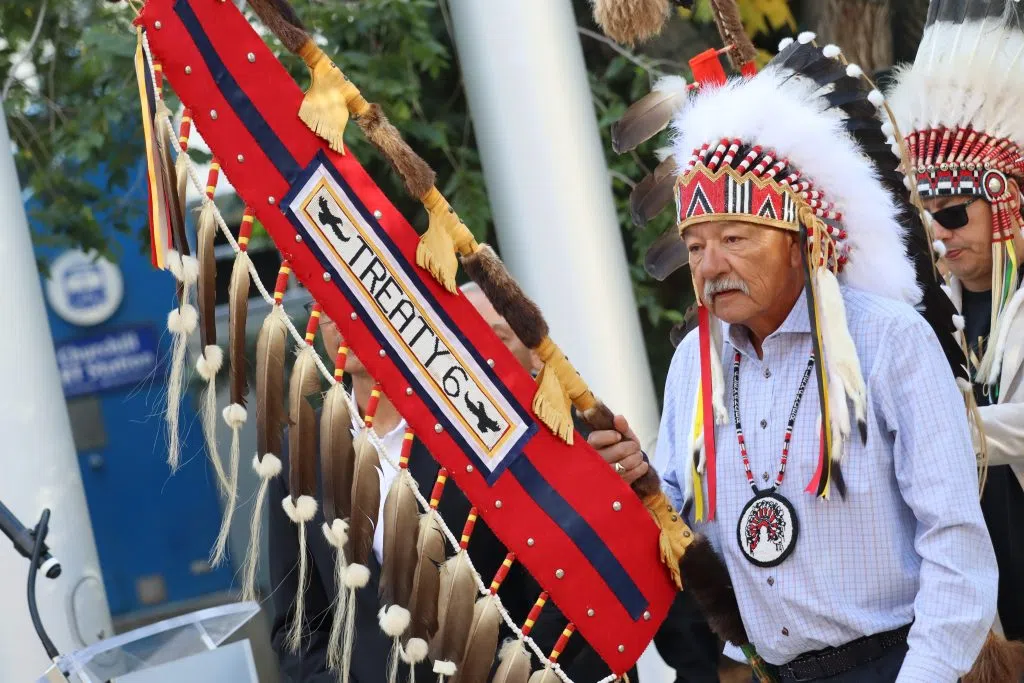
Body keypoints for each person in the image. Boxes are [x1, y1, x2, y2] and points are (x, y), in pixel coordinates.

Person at [590, 35, 997, 682]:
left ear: (800, 242)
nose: (709, 264)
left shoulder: (889, 341)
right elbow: (685, 524)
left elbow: (956, 545)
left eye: (734, 238)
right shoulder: (697, 362)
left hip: (899, 662)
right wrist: (638, 479)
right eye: (694, 247)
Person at [269, 285, 632, 682]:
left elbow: (563, 584)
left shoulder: (480, 424)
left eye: (356, 299)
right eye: (325, 304)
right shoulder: (303, 448)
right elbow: (297, 626)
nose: (342, 319)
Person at [886, 0, 1024, 643]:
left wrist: (929, 430)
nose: (939, 234)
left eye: (954, 213)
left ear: (1006, 200)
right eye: (926, 216)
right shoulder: (920, 309)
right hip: (981, 607)